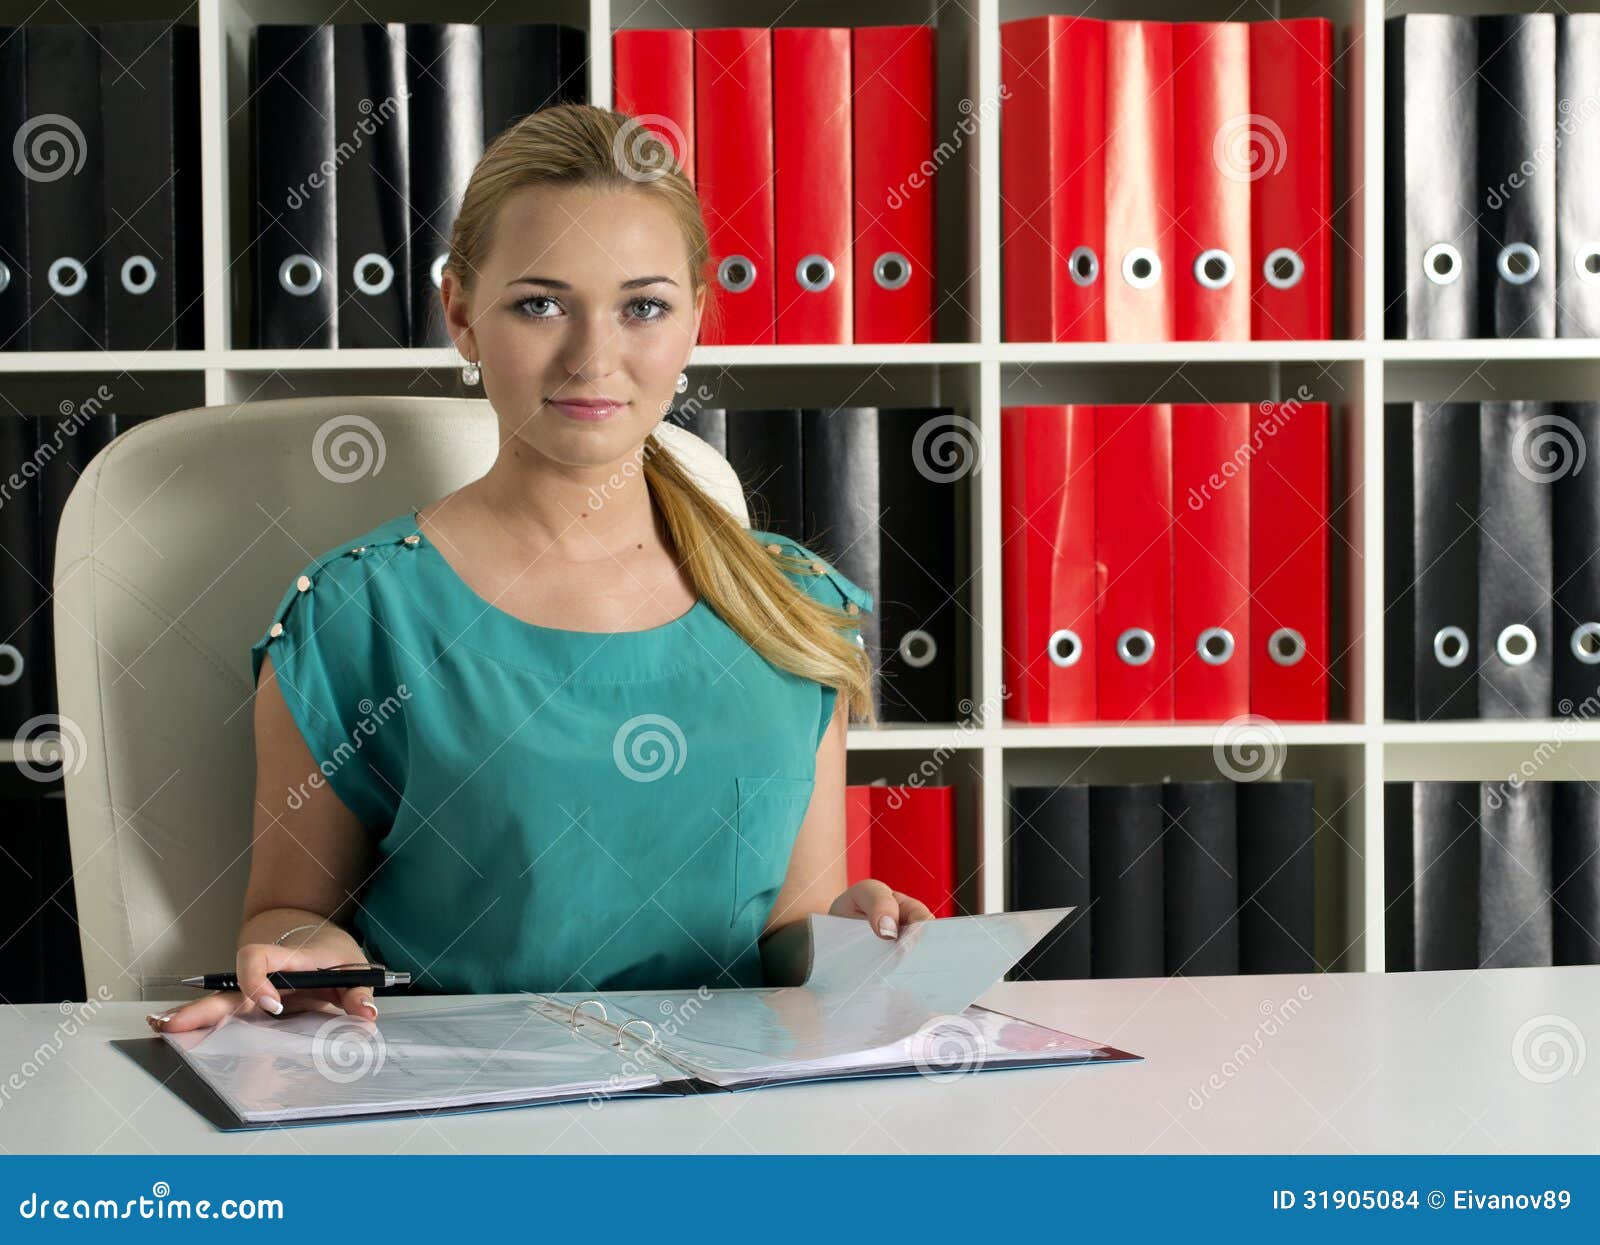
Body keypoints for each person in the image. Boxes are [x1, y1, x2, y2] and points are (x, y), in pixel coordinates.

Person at [150, 104, 933, 1034]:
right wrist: (304, 951)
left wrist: (850, 933)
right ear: (461, 314)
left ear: (694, 319)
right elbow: (286, 909)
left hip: (727, 1101)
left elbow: (786, 927)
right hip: (452, 1100)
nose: (593, 358)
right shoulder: (357, 616)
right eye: (540, 304)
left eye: (643, 307)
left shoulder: (791, 605)